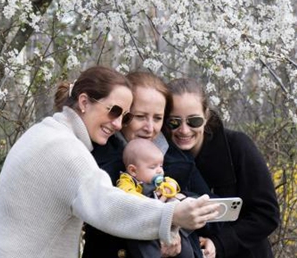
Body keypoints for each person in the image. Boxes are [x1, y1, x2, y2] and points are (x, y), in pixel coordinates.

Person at [0, 66, 220, 257]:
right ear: (84, 102)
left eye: (124, 117)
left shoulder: (44, 132)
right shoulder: (65, 149)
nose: (116, 124)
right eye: (114, 111)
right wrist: (172, 214)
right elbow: (108, 205)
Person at [82, 71, 211, 258]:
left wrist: (181, 202)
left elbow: (209, 208)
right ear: (124, 116)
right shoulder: (99, 161)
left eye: (157, 118)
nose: (150, 128)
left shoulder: (177, 157)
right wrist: (164, 221)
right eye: (140, 117)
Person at [167, 78, 280, 258]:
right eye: (174, 122)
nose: (184, 130)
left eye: (193, 121)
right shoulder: (156, 156)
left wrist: (220, 243)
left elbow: (267, 214)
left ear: (206, 116)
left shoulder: (237, 146)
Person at [117, 138, 196, 258]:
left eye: (161, 165)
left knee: (186, 250)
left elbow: (172, 182)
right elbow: (127, 195)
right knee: (147, 249)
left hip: (167, 223)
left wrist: (170, 187)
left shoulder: (159, 181)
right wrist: (151, 203)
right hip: (143, 225)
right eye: (153, 167)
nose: (159, 170)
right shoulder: (127, 181)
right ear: (133, 170)